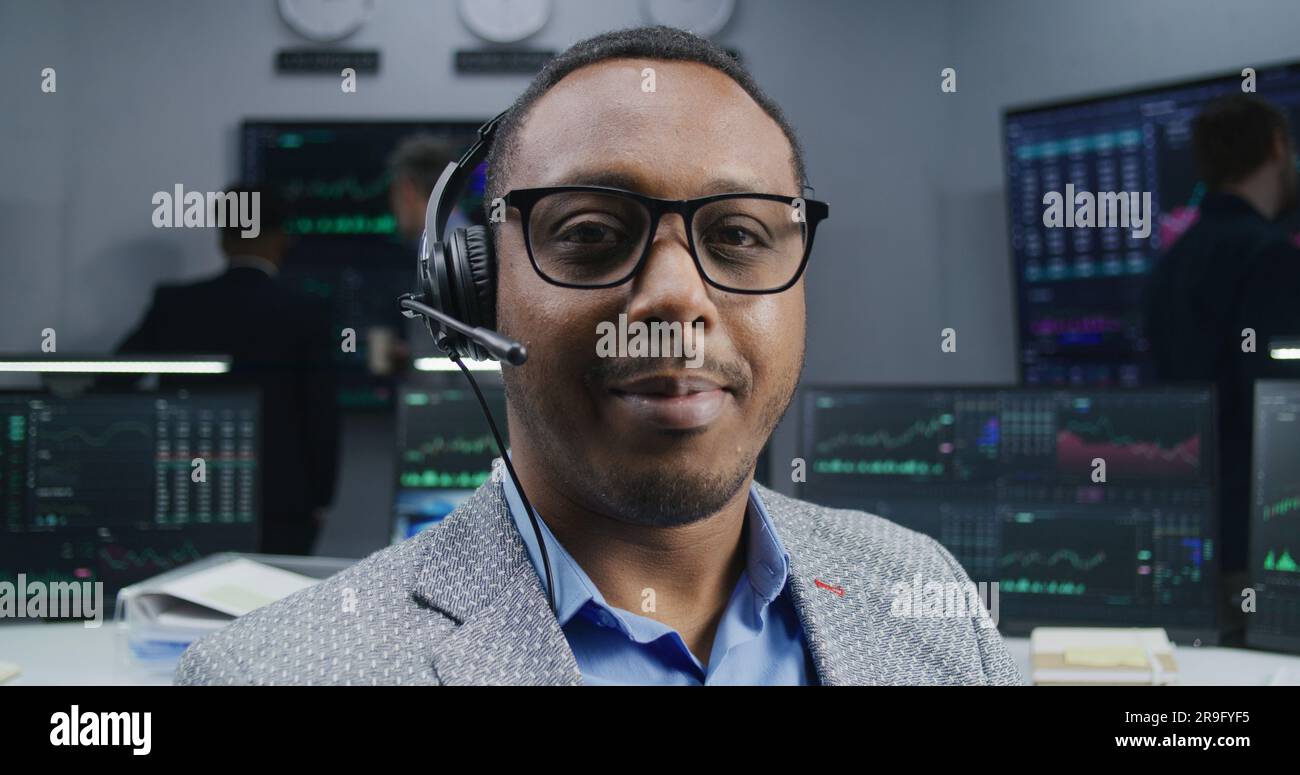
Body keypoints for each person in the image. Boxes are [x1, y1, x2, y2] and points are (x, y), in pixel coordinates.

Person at [176, 26, 1020, 686]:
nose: (676, 297)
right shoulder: (268, 672)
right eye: (590, 234)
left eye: (736, 233)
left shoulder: (925, 596)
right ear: (477, 290)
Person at [115, 184, 340, 556]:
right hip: (282, 507)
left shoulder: (175, 306)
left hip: (187, 497)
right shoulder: (305, 312)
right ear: (282, 239)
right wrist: (319, 498)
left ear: (223, 239)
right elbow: (320, 416)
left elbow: (115, 381)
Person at [1143, 94, 1299, 573]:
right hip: (1268, 535)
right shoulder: (1270, 256)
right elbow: (1283, 408)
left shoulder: (1169, 265)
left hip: (1196, 531)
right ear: (1278, 146)